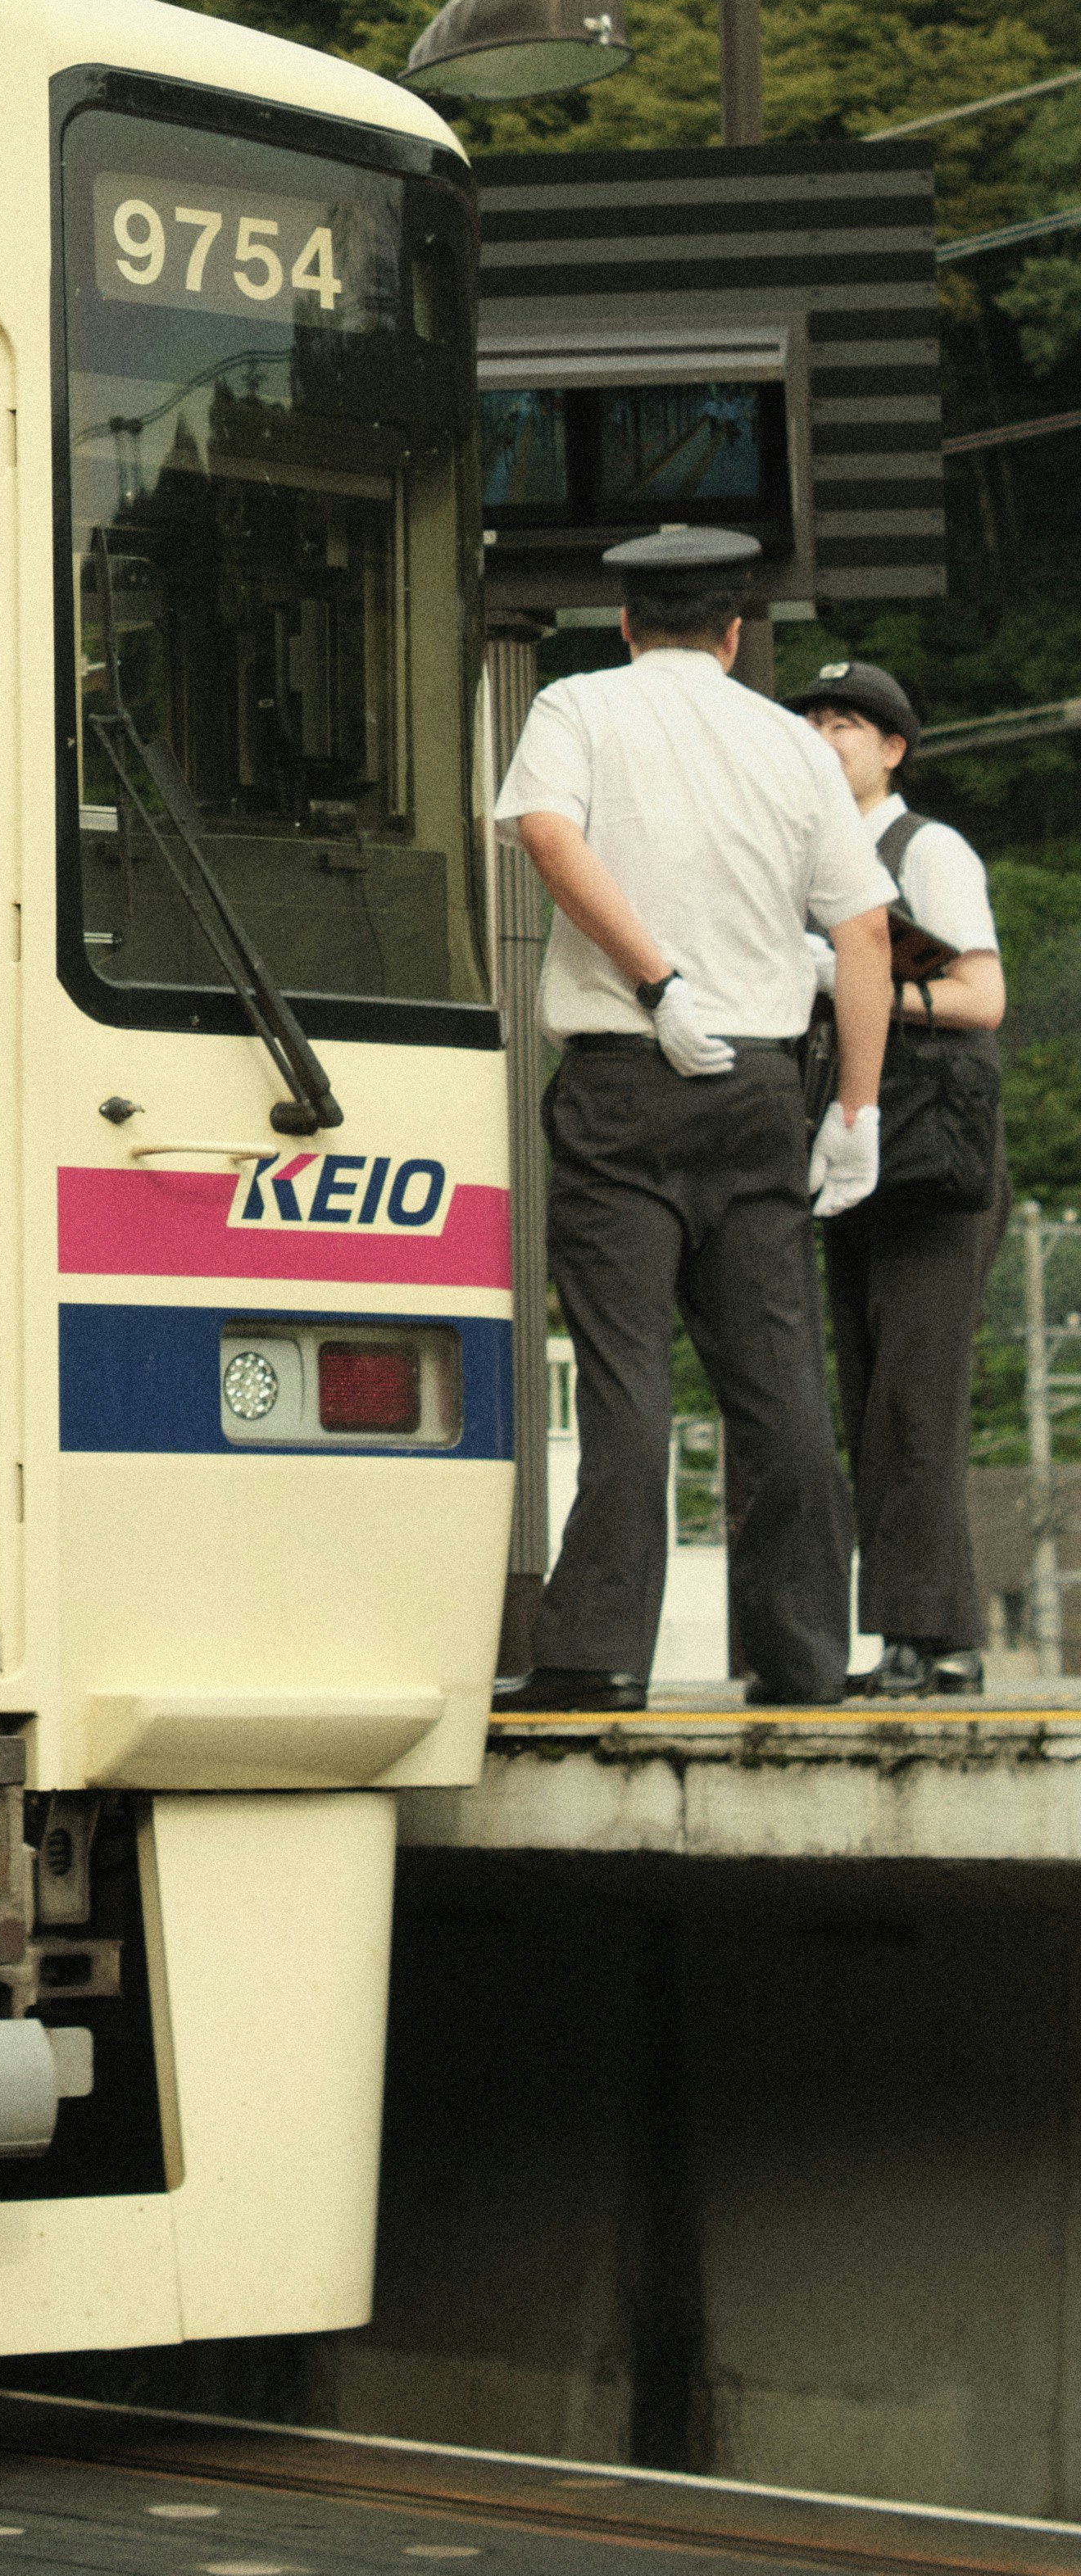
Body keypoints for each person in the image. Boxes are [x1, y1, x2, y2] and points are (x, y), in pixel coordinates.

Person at [492, 526, 893, 1712]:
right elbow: (863, 932)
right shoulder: (791, 743)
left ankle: (598, 1655)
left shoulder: (577, 707)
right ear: (733, 634)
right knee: (779, 1384)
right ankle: (804, 1656)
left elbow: (548, 838)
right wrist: (856, 1111)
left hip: (627, 1082)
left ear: (624, 624)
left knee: (628, 1382)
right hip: (764, 1090)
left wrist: (657, 983)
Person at [799, 659, 1010, 1701]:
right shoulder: (809, 854)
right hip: (850, 1141)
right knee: (866, 1394)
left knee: (914, 1402)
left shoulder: (927, 848)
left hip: (932, 1150)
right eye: (815, 721)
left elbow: (983, 994)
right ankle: (913, 1635)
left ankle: (936, 1641)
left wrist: (864, 989)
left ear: (893, 749)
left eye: (849, 723)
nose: (828, 736)